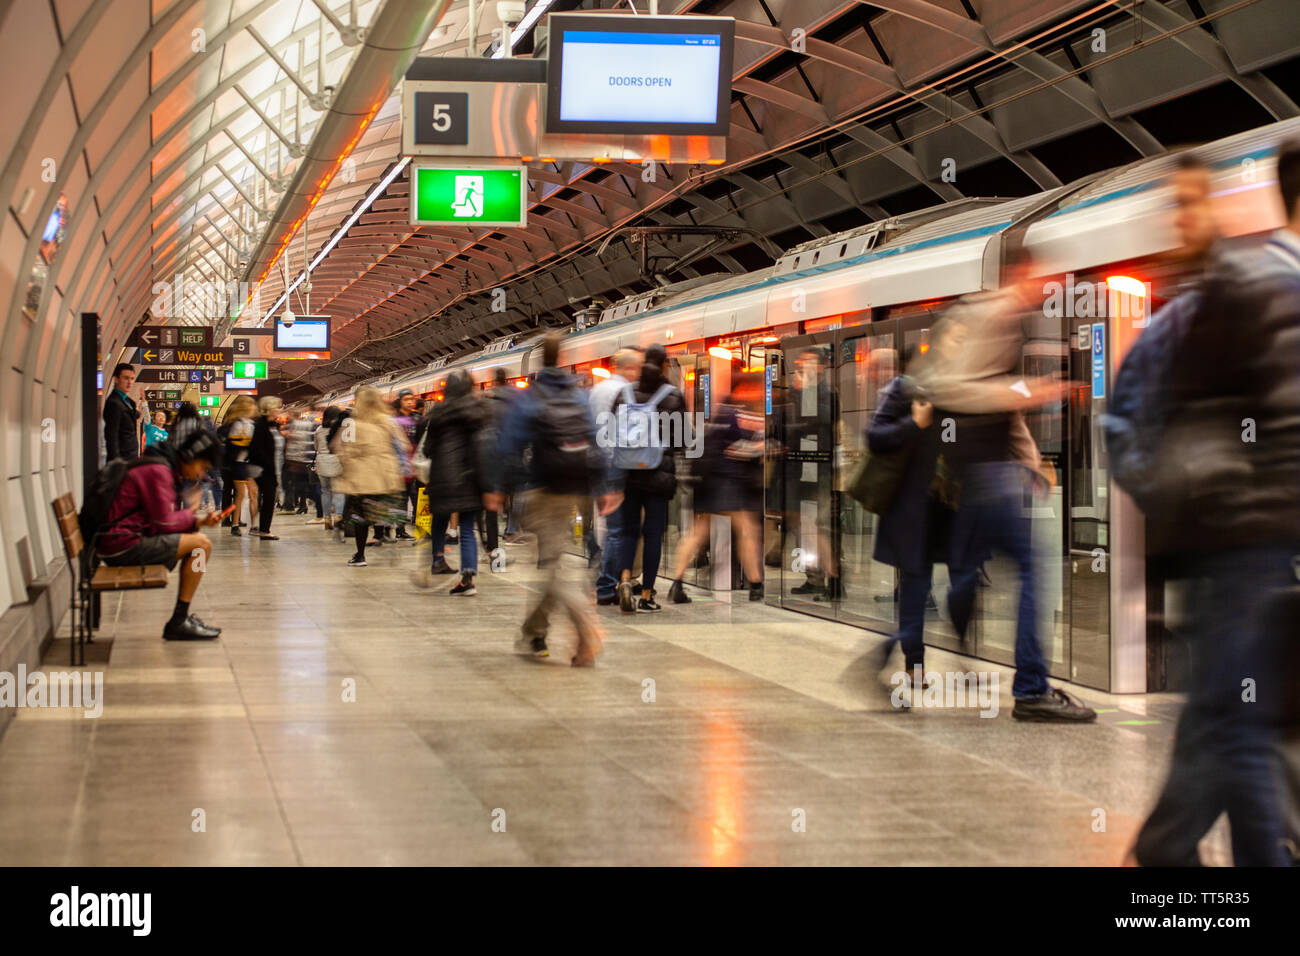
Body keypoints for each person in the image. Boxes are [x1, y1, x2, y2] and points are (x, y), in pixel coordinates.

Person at [1128, 140, 1300, 866]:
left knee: (1234, 718)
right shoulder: (1243, 285)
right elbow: (1175, 419)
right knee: (1239, 719)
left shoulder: (1249, 282)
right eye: (1177, 204)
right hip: (1241, 544)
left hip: (1250, 542)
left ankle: (1167, 850)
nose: (1183, 219)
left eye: (1193, 203)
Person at [914, 249, 1092, 722]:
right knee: (1037, 567)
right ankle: (1031, 689)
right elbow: (952, 387)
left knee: (975, 567)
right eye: (1043, 276)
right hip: (986, 473)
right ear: (1022, 272)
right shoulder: (993, 314)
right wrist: (1029, 390)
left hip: (978, 473)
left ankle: (962, 611)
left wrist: (1030, 459)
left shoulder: (979, 314)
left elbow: (990, 399)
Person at [485, 333, 621, 664]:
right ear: (562, 358)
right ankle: (534, 634)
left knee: (552, 568)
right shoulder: (578, 395)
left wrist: (497, 487)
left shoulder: (530, 398)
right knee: (552, 563)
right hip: (572, 490)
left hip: (541, 490)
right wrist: (604, 486)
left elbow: (508, 446)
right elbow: (595, 442)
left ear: (537, 362)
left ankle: (585, 630)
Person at [858, 345, 947, 696]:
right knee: (916, 586)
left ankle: (911, 661)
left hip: (939, 505)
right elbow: (874, 436)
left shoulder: (948, 392)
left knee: (927, 585)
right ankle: (909, 661)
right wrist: (914, 423)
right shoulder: (901, 390)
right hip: (911, 508)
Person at [97, 429, 226, 641]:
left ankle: (181, 618)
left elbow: (160, 520)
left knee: (198, 546)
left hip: (116, 540)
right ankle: (179, 620)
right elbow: (165, 522)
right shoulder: (159, 471)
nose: (201, 474)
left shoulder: (159, 465)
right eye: (202, 467)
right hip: (122, 545)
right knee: (202, 546)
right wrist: (196, 517)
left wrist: (193, 518)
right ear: (190, 456)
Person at [667, 373, 765, 604]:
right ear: (744, 389)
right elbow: (736, 449)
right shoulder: (735, 413)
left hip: (711, 482)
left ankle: (677, 583)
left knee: (698, 533)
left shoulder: (724, 410)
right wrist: (759, 447)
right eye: (757, 389)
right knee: (747, 530)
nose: (760, 393)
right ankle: (756, 585)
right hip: (728, 482)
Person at [609, 344, 687, 612]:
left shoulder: (625, 392)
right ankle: (646, 595)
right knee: (653, 534)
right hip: (659, 474)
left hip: (629, 473)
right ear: (665, 365)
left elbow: (610, 430)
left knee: (629, 531)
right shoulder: (672, 395)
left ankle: (624, 579)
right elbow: (682, 440)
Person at [413, 371, 492, 595]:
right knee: (467, 528)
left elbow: (427, 449)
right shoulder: (476, 413)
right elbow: (481, 449)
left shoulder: (437, 414)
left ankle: (437, 559)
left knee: (439, 521)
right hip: (468, 478)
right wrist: (487, 483)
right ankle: (468, 578)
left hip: (441, 478)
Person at [588, 349, 643, 605]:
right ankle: (607, 585)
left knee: (606, 524)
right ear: (629, 368)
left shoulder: (598, 390)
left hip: (597, 462)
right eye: (639, 368)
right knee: (618, 528)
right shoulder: (625, 392)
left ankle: (606, 574)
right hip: (616, 463)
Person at [334, 385, 408, 567]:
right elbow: (403, 445)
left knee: (360, 517)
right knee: (382, 510)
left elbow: (341, 449)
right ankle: (387, 539)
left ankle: (360, 555)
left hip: (361, 476)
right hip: (385, 474)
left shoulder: (352, 423)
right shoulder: (389, 421)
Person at [223, 396, 259, 537]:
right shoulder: (237, 425)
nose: (254, 407)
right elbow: (236, 445)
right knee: (241, 494)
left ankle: (254, 525)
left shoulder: (251, 424)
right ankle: (235, 524)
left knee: (253, 493)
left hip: (248, 463)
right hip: (239, 463)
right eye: (251, 405)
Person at [248, 396, 282, 539]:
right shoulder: (261, 426)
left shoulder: (268, 425)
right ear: (269, 408)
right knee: (268, 498)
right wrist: (269, 467)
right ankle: (264, 530)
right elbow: (258, 449)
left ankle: (264, 529)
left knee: (269, 498)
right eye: (277, 407)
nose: (279, 410)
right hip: (263, 469)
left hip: (267, 468)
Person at [392, 389, 420, 540]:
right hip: (400, 465)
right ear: (400, 401)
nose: (410, 402)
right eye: (406, 399)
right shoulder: (395, 420)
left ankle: (416, 526)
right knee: (402, 499)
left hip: (415, 464)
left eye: (412, 399)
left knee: (414, 496)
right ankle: (400, 529)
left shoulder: (417, 419)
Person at [315, 406, 347, 531]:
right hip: (336, 461)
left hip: (322, 461)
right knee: (339, 490)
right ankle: (338, 517)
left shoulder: (319, 429)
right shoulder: (341, 429)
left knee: (325, 491)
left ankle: (327, 518)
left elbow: (316, 447)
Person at [102, 362, 140, 461]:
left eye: (132, 378)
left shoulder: (128, 402)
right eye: (126, 378)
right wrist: (116, 461)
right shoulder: (113, 403)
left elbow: (131, 415)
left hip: (131, 457)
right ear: (116, 379)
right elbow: (111, 436)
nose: (130, 382)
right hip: (122, 459)